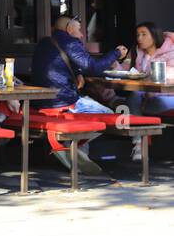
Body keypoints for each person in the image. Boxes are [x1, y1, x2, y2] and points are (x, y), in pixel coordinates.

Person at [30, 13, 127, 174]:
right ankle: (70, 148)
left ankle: (81, 154)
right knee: (110, 116)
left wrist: (77, 72)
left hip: (40, 103)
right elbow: (92, 67)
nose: (82, 35)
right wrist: (116, 53)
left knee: (89, 115)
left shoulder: (45, 43)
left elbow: (61, 62)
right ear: (69, 29)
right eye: (79, 30)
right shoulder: (70, 42)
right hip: (64, 102)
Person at [132, 22, 174, 116]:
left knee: (153, 102)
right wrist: (116, 66)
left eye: (144, 34)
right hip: (147, 93)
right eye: (137, 35)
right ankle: (136, 125)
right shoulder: (141, 55)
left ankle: (138, 125)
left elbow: (170, 82)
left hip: (168, 95)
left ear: (154, 35)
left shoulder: (171, 53)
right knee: (133, 95)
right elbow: (134, 74)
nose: (139, 38)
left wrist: (153, 93)